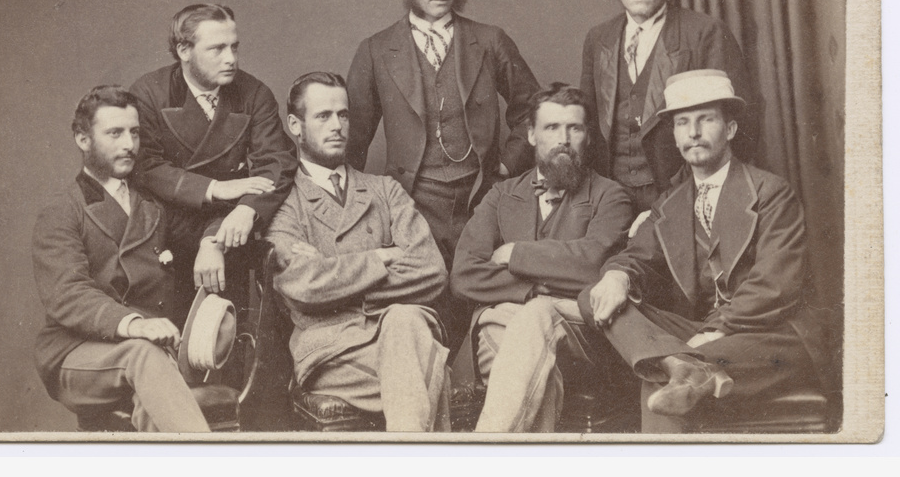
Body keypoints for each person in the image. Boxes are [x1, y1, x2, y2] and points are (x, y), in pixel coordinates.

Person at [579, 70, 826, 431]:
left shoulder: (772, 192)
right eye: (682, 123)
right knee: (594, 295)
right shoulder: (670, 204)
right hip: (697, 334)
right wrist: (618, 275)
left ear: (729, 129)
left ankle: (676, 364)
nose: (693, 133)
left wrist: (715, 331)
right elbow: (636, 257)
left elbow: (775, 284)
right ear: (675, 134)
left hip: (768, 335)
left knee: (658, 372)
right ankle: (680, 364)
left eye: (705, 120)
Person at [266, 72, 451, 432]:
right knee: (427, 364)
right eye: (323, 116)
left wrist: (334, 273)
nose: (337, 126)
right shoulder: (282, 201)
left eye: (344, 114)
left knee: (405, 323)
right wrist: (381, 258)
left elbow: (431, 269)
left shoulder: (385, 190)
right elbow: (302, 286)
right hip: (334, 354)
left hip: (396, 337)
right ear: (295, 125)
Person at [346, 0, 541, 265]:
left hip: (483, 199)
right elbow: (353, 141)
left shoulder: (490, 40)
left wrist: (508, 165)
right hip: (409, 205)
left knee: (477, 293)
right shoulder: (376, 50)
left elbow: (536, 112)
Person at [450, 83, 634, 432]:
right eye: (552, 127)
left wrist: (515, 254)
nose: (564, 138)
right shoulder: (500, 195)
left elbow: (593, 264)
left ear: (588, 137)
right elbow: (464, 275)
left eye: (574, 128)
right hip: (521, 330)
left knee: (506, 321)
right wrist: (540, 289)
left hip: (580, 339)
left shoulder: (611, 196)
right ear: (532, 135)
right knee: (523, 339)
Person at [32, 85, 210, 432]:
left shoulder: (152, 204)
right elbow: (67, 295)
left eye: (134, 132)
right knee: (143, 354)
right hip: (77, 352)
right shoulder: (63, 210)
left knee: (152, 380)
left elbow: (200, 227)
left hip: (150, 352)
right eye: (114, 133)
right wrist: (135, 324)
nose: (129, 144)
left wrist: (213, 242)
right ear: (83, 140)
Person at [130, 4, 297, 316]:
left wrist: (248, 210)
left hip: (230, 230)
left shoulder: (254, 93)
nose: (231, 59)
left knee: (225, 338)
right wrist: (216, 187)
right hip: (166, 234)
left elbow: (277, 161)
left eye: (234, 47)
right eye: (217, 49)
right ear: (184, 50)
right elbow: (146, 168)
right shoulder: (149, 93)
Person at [579, 0, 756, 217]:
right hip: (609, 199)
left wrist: (675, 204)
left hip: (681, 198)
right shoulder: (599, 38)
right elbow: (585, 124)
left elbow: (738, 131)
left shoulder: (704, 33)